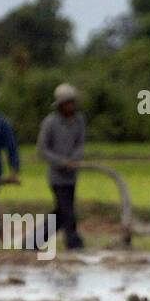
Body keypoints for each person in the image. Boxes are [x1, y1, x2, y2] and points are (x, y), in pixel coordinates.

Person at [37, 83, 87, 250]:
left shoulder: (79, 121)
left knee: (61, 212)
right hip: (57, 177)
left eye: (72, 102)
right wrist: (61, 162)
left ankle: (33, 241)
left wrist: (74, 160)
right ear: (60, 105)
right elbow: (42, 149)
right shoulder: (50, 123)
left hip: (72, 176)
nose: (71, 106)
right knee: (67, 212)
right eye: (67, 103)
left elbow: (80, 144)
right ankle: (73, 242)